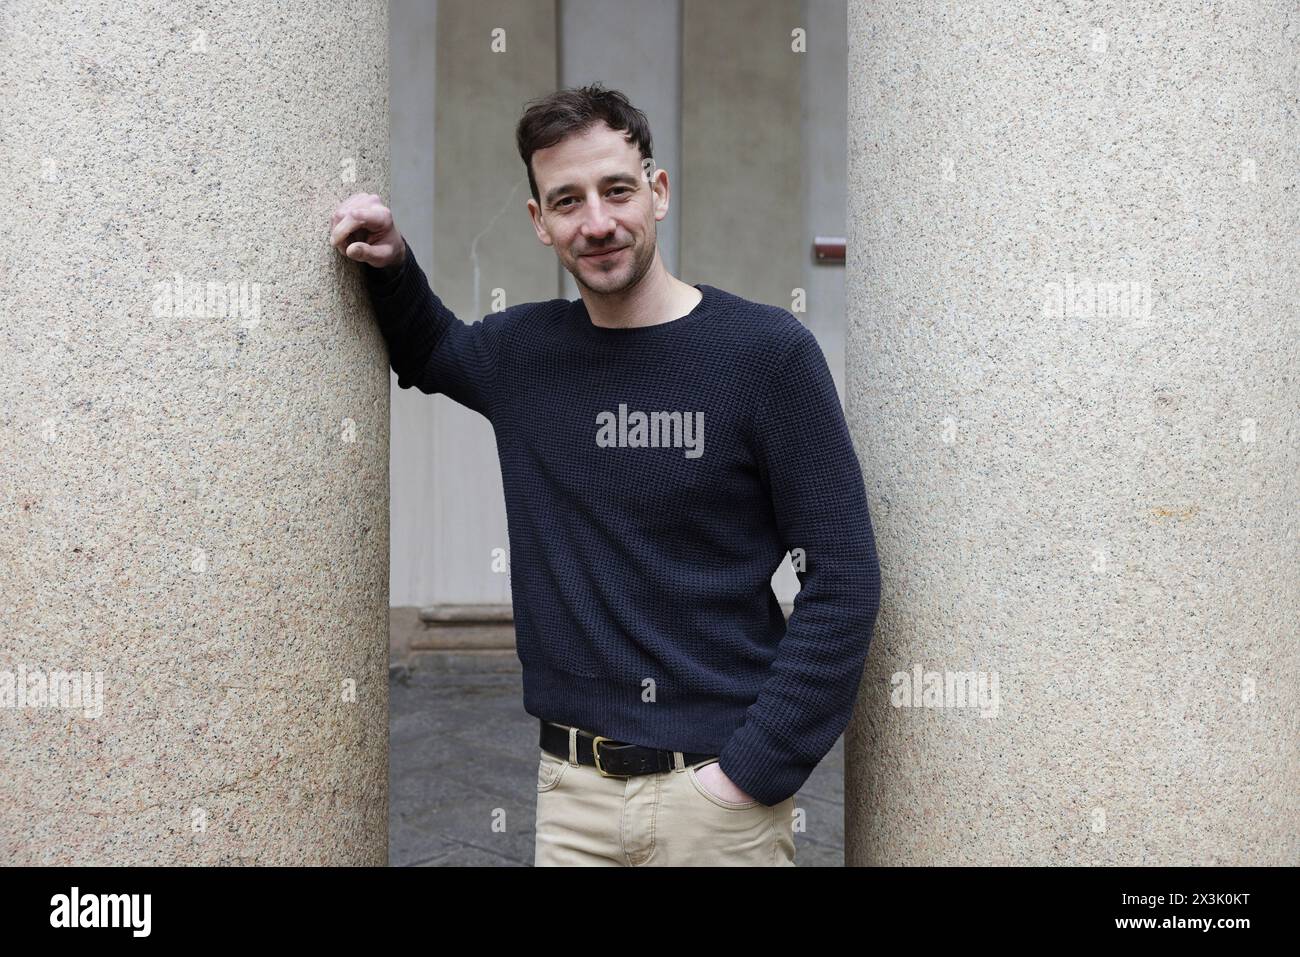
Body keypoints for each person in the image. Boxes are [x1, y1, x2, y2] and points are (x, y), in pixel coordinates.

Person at [329, 83, 881, 866]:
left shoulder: (766, 356)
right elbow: (428, 350)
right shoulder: (524, 355)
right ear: (539, 222)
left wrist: (754, 771)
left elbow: (844, 577)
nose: (597, 222)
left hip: (717, 801)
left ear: (656, 193)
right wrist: (390, 261)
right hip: (573, 800)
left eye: (616, 190)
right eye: (567, 200)